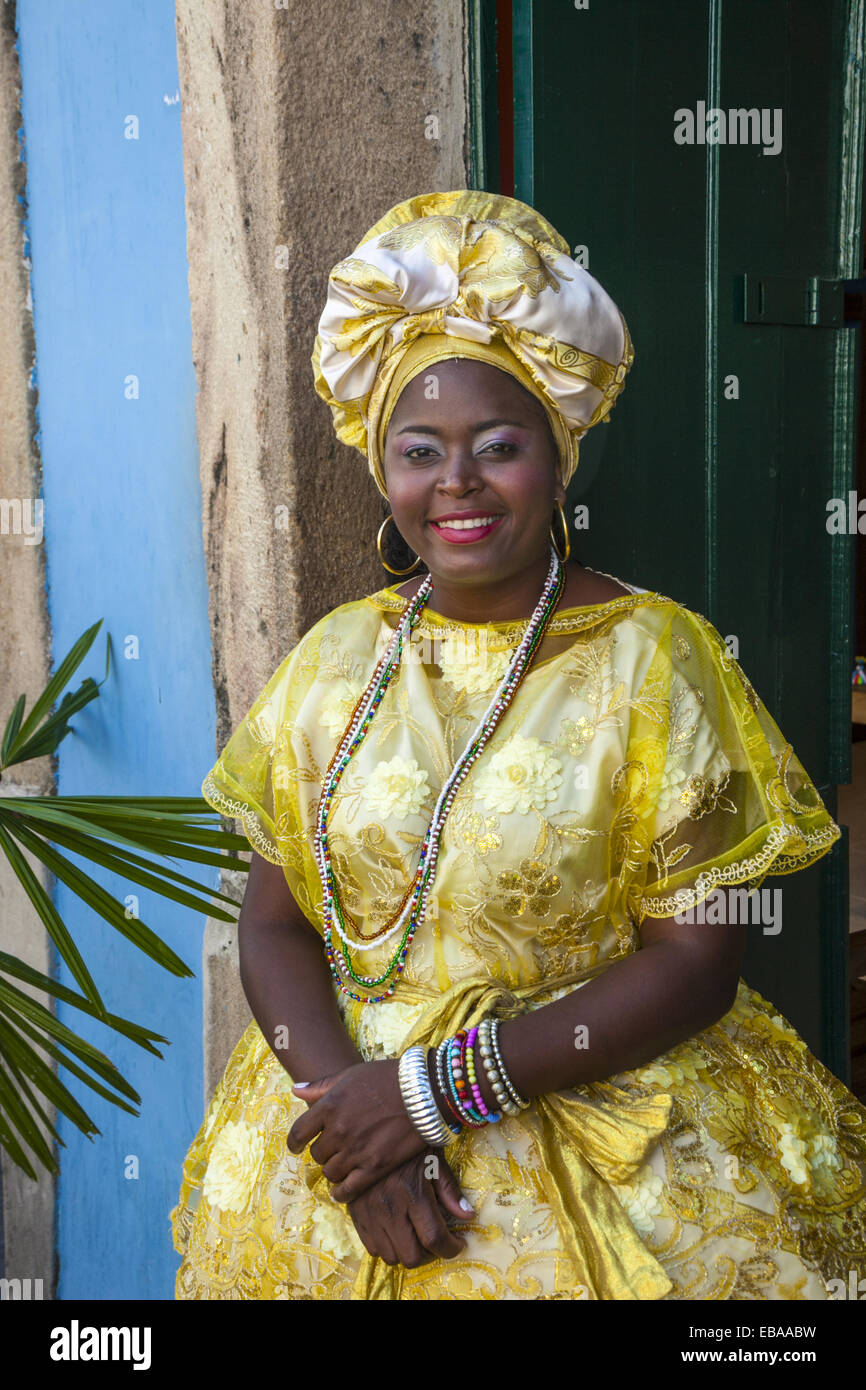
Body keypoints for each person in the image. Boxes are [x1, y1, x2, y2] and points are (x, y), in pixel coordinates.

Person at [171, 190, 866, 1300]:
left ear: (557, 457)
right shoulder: (334, 659)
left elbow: (698, 958)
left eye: (497, 446)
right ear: (381, 468)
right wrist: (351, 1126)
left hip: (604, 1136)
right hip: (340, 1139)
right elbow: (273, 920)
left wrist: (428, 1098)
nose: (453, 480)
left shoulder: (654, 656)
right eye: (418, 449)